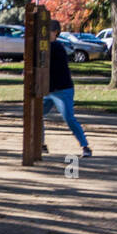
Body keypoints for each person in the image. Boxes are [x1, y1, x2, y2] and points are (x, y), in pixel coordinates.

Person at [44, 19, 92, 157]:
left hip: (62, 90)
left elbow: (45, 61)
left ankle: (85, 146)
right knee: (36, 116)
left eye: (48, 31)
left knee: (69, 118)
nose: (45, 34)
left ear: (55, 32)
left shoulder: (57, 47)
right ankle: (40, 144)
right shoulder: (45, 46)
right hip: (47, 90)